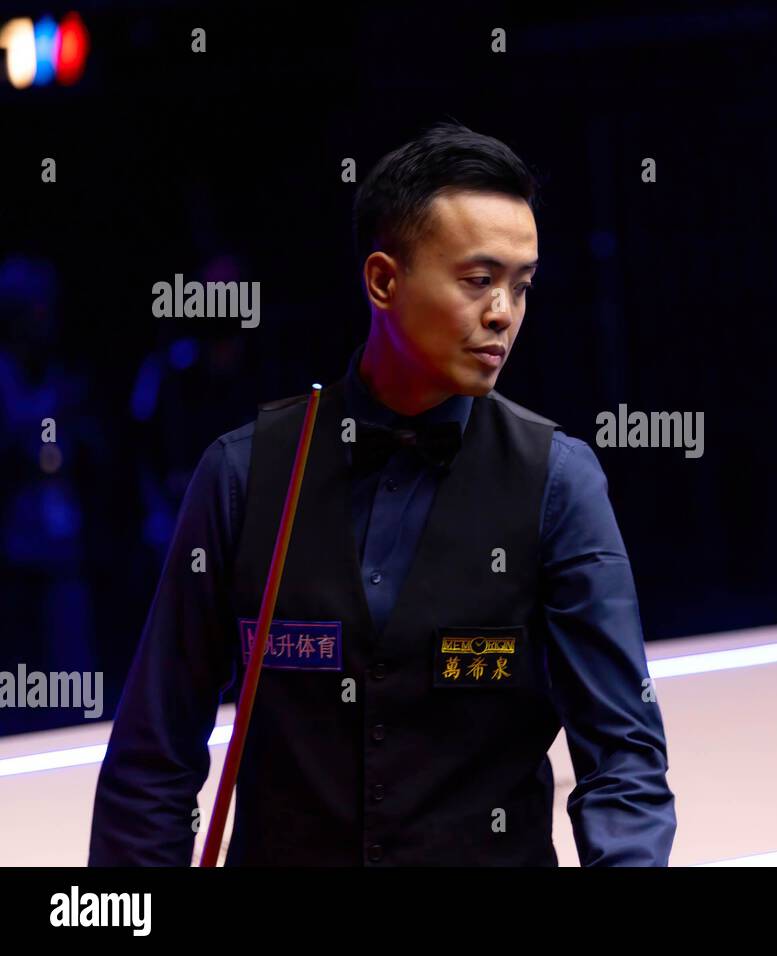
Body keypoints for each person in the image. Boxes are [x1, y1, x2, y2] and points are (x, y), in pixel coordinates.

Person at [88, 122, 677, 866]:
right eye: (478, 280)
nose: (504, 312)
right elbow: (153, 760)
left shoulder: (559, 481)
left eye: (521, 286)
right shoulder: (242, 474)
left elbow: (623, 759)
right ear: (383, 281)